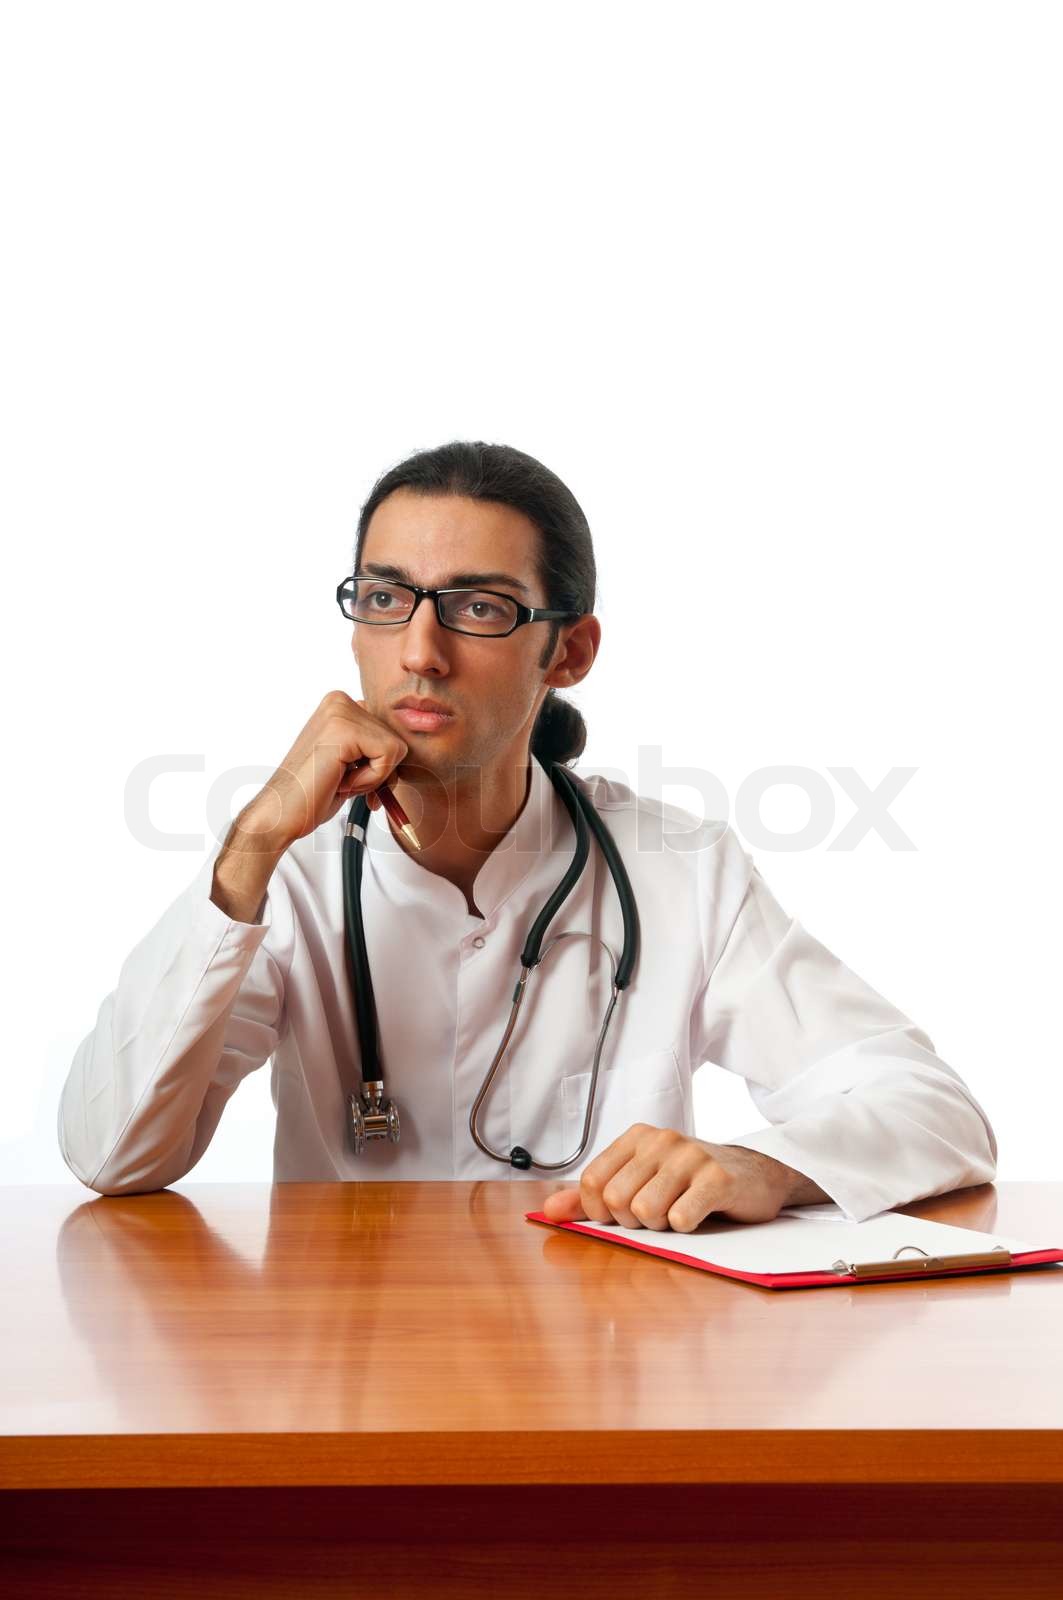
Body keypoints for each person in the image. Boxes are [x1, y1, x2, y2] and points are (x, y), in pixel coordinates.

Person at [57, 440, 998, 1229]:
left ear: (570, 651)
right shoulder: (286, 882)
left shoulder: (682, 873)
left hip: (598, 1374)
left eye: (478, 608)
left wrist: (765, 1167)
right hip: (348, 1382)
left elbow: (934, 1112)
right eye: (387, 598)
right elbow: (112, 1154)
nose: (420, 651)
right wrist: (250, 848)